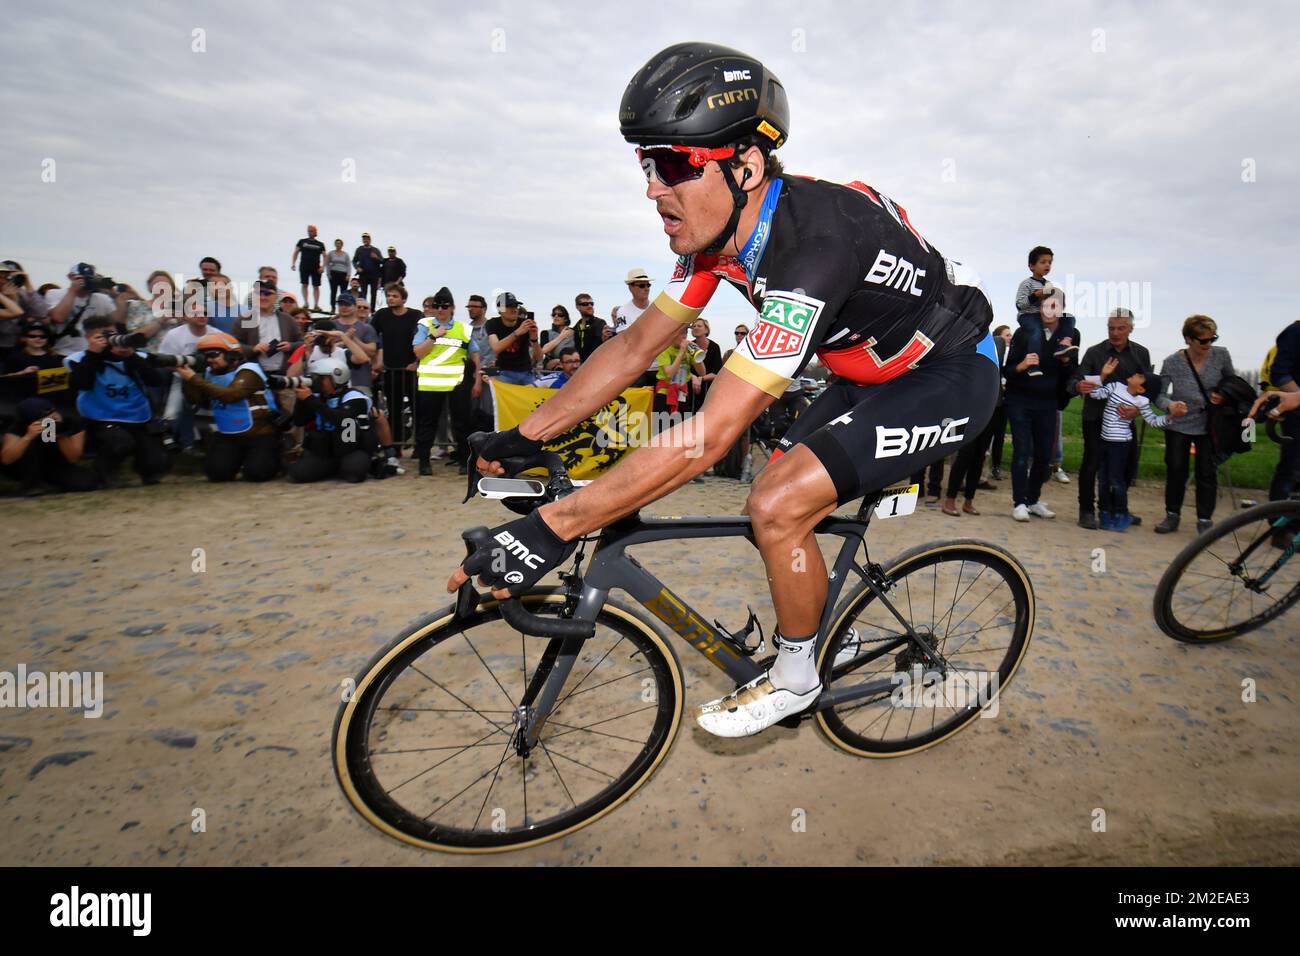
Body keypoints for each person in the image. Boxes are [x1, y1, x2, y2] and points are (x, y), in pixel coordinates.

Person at [448, 42, 1000, 738]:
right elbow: (634, 347)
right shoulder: (716, 242)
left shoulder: (816, 245)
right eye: (646, 164)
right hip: (864, 376)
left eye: (675, 164)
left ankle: (798, 677)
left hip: (949, 375)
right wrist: (527, 436)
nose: (653, 187)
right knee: (768, 496)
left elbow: (709, 434)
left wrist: (552, 527)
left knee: (777, 504)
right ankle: (830, 627)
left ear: (746, 165)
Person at [1067, 308, 1152, 529]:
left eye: (1121, 328)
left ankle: (1117, 508)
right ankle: (1086, 510)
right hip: (1095, 418)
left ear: (1131, 329)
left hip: (1124, 421)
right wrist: (1079, 385)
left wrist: (1138, 410)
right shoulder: (1094, 353)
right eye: (1111, 328)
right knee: (1091, 464)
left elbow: (1147, 387)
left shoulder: (1141, 354)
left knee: (1125, 467)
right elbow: (1075, 380)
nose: (1115, 333)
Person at [64, 316, 171, 487]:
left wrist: (131, 356)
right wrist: (93, 354)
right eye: (103, 336)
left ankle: (147, 471)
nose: (111, 340)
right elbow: (81, 384)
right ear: (90, 339)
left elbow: (155, 381)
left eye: (113, 334)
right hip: (100, 419)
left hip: (137, 418)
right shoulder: (78, 359)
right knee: (119, 441)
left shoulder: (136, 356)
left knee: (157, 461)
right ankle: (105, 472)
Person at [1153, 315, 1234, 535]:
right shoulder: (1172, 362)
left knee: (1207, 472)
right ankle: (1172, 515)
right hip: (1179, 424)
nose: (1209, 344)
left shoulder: (1221, 356)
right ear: (1189, 339)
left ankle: (1205, 520)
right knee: (1176, 470)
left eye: (1212, 339)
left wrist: (1224, 396)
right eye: (1204, 340)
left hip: (1209, 424)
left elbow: (1232, 384)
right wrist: (1170, 406)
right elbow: (1158, 395)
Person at [1003, 289, 1076, 521]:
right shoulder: (1023, 333)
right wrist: (1023, 365)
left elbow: (1071, 371)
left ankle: (1033, 500)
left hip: (1048, 402)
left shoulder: (1072, 334)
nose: (1049, 310)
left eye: (1055, 306)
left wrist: (1066, 362)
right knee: (1022, 452)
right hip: (1020, 400)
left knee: (1045, 455)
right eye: (1045, 305)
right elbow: (1008, 371)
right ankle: (1019, 503)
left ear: (1061, 309)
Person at [178, 331, 281, 482]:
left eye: (213, 355)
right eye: (205, 356)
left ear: (230, 355)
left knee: (257, 474)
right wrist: (188, 380)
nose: (209, 360)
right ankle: (239, 461)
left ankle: (273, 459)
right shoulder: (208, 373)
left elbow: (231, 395)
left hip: (259, 434)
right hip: (229, 435)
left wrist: (194, 379)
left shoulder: (249, 370)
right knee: (216, 474)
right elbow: (196, 400)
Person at [1086, 369, 1181, 531]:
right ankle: (1104, 514)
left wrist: (1171, 416)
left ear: (1142, 389)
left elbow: (1153, 421)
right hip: (1104, 441)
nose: (1136, 374)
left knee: (1116, 481)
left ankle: (1121, 515)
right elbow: (1095, 394)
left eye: (1141, 376)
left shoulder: (1142, 402)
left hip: (1121, 444)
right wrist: (1102, 375)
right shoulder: (1116, 386)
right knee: (1102, 480)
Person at [940, 329, 1008, 516]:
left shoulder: (996, 343)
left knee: (979, 457)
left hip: (992, 407)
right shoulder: (960, 345)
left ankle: (969, 501)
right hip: (968, 408)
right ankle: (950, 500)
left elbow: (999, 350)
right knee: (964, 455)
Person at [413, 288, 479, 475]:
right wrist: (434, 337)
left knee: (461, 423)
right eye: (437, 305)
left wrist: (477, 381)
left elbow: (474, 354)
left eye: (444, 305)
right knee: (428, 423)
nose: (440, 309)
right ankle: (424, 462)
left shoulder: (463, 328)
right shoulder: (425, 325)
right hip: (430, 383)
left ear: (452, 308)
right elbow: (418, 352)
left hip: (457, 383)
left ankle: (463, 461)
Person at [287, 356, 376, 483]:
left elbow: (341, 420)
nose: (317, 382)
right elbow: (299, 421)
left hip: (350, 449)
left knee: (354, 474)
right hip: (324, 451)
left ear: (337, 377)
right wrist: (301, 400)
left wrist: (310, 400)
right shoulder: (317, 397)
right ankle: (332, 467)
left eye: (321, 378)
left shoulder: (355, 397)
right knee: (298, 474)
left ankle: (353, 464)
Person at [1, 397, 97, 494]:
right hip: (26, 466)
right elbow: (6, 459)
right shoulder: (19, 427)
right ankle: (32, 485)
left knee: (87, 483)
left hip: (56, 465)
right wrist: (28, 437)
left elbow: (73, 458)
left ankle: (47, 483)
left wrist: (60, 434)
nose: (52, 417)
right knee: (30, 447)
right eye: (45, 416)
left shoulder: (69, 422)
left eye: (52, 412)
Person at [371, 285, 421, 453]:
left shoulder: (415, 316)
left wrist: (416, 362)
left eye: (394, 295)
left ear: (404, 299)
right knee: (394, 410)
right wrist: (378, 359)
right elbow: (373, 337)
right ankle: (397, 446)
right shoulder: (381, 315)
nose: (390, 298)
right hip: (390, 371)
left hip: (411, 371)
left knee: (417, 410)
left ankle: (419, 447)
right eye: (389, 295)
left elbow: (424, 340)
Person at [1014, 245, 1077, 376]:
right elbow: (1020, 304)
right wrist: (1036, 295)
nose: (1047, 265)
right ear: (1031, 266)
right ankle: (1033, 364)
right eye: (1043, 262)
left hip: (1042, 315)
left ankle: (1063, 345)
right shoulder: (1027, 283)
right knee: (1037, 332)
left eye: (1049, 262)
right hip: (1028, 315)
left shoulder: (1048, 284)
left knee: (1069, 317)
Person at [1258, 319, 1300, 507]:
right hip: (1293, 408)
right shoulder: (1295, 331)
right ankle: (1278, 523)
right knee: (1292, 464)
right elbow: (1280, 373)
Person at [2, 322, 74, 416]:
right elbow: (4, 378)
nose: (38, 339)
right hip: (21, 400)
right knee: (26, 427)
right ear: (24, 338)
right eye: (32, 336)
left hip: (49, 402)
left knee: (48, 429)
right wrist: (23, 372)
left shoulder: (55, 357)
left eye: (43, 336)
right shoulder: (15, 356)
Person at [45, 263, 116, 357]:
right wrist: (72, 291)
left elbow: (116, 322)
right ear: (71, 277)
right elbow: (59, 318)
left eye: (90, 279)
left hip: (95, 352)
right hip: (65, 352)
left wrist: (116, 295)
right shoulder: (55, 293)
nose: (87, 282)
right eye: (83, 278)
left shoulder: (102, 298)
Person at [613, 268, 658, 385]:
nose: (647, 288)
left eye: (648, 285)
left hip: (659, 366)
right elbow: (627, 340)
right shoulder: (623, 311)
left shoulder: (657, 307)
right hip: (637, 369)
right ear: (631, 287)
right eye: (642, 285)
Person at [486, 292, 541, 385]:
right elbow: (496, 348)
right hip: (503, 373)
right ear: (500, 310)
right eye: (509, 306)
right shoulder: (493, 323)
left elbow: (539, 357)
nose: (514, 309)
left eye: (516, 306)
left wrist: (534, 340)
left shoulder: (524, 323)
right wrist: (517, 333)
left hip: (526, 372)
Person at [987, 324, 1013, 479]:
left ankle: (996, 466)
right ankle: (982, 469)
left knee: (1000, 437)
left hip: (1004, 404)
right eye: (1007, 335)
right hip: (991, 404)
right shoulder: (994, 357)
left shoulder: (1010, 358)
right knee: (987, 437)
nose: (1010, 338)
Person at [688, 317, 722, 412]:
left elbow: (717, 373)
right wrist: (693, 378)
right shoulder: (689, 345)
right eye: (694, 326)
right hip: (690, 388)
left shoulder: (714, 347)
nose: (695, 328)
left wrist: (700, 379)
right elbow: (684, 368)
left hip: (708, 389)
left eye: (699, 326)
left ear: (706, 329)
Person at [291, 224, 327, 313]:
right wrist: (293, 263)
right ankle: (306, 303)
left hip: (316, 268)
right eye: (309, 230)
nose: (310, 232)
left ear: (315, 232)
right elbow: (296, 252)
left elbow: (325, 256)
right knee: (304, 284)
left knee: (316, 286)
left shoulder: (320, 244)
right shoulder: (302, 242)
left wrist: (323, 266)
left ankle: (316, 304)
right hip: (304, 266)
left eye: (312, 231)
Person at [571, 293, 606, 362]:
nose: (590, 306)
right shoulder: (575, 328)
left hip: (596, 362)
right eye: (585, 304)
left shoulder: (600, 323)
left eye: (591, 303)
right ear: (577, 307)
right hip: (579, 365)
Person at [353, 233, 384, 309]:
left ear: (370, 240)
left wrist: (376, 257)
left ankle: (372, 310)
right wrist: (357, 268)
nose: (365, 240)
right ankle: (364, 308)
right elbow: (354, 261)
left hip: (374, 275)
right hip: (363, 274)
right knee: (363, 293)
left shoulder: (375, 250)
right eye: (364, 239)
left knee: (373, 293)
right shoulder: (359, 249)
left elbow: (382, 261)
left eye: (367, 239)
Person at [326, 239, 351, 313]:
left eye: (339, 243)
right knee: (333, 291)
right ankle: (333, 307)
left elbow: (348, 265)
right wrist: (328, 274)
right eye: (337, 243)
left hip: (343, 274)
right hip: (334, 273)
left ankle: (343, 308)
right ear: (335, 244)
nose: (338, 245)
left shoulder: (345, 254)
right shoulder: (331, 253)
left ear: (342, 245)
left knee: (343, 293)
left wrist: (348, 275)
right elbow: (328, 264)